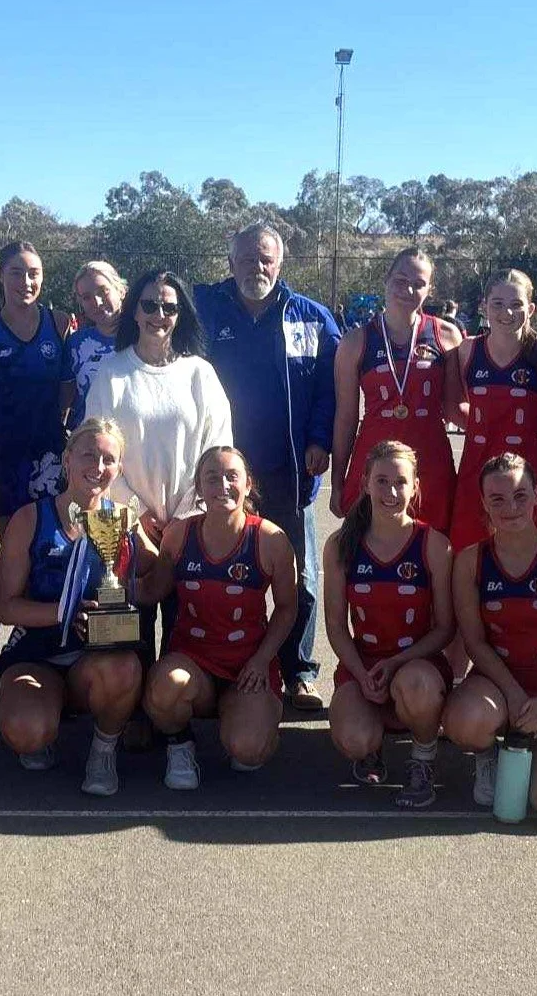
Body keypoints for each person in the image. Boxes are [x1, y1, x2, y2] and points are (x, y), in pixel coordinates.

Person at [195, 223, 340, 710]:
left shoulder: (311, 318)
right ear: (230, 260)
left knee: (299, 573)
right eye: (247, 258)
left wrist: (320, 438)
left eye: (266, 259)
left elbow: (331, 386)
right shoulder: (204, 308)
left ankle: (299, 670)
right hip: (220, 471)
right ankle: (204, 661)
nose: (256, 267)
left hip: (288, 470)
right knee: (205, 567)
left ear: (280, 262)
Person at [0, 418, 159, 795]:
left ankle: (103, 749)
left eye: (108, 459)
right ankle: (43, 718)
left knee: (125, 667)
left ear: (119, 468)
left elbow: (154, 575)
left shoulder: (122, 519)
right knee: (27, 732)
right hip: (36, 655)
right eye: (88, 455)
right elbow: (5, 607)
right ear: (67, 459)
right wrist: (65, 612)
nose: (98, 468)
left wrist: (177, 544)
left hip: (94, 657)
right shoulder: (30, 518)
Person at [83, 270, 233, 681]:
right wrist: (137, 515)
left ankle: (171, 718)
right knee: (130, 631)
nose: (159, 314)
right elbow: (97, 453)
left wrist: (186, 517)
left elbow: (217, 449)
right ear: (134, 311)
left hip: (190, 524)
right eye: (150, 305)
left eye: (169, 307)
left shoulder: (200, 373)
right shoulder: (111, 373)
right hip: (126, 526)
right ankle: (132, 715)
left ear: (181, 314)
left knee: (185, 629)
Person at [441, 454, 537, 827]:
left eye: (520, 496)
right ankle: (492, 754)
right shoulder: (470, 561)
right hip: (497, 683)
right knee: (465, 724)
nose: (510, 508)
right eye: (497, 499)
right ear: (483, 504)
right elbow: (474, 642)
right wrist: (512, 694)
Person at [140, 446, 298, 788]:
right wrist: (100, 584)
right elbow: (152, 590)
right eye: (212, 477)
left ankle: (248, 715)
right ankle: (180, 745)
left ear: (247, 484)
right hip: (194, 660)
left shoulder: (270, 539)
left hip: (248, 666)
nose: (222, 485)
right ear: (199, 487)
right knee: (167, 689)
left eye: (231, 477)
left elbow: (287, 607)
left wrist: (262, 660)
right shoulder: (180, 534)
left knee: (248, 751)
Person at [324, 441, 455, 809]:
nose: (391, 492)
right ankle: (372, 745)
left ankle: (423, 760)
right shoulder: (340, 545)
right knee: (353, 738)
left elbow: (445, 628)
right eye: (381, 481)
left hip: (417, 665)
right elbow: (336, 627)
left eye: (400, 482)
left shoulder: (434, 545)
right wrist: (361, 672)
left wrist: (397, 662)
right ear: (364, 482)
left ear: (416, 486)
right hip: (363, 664)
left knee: (415, 685)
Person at [0, 241, 74, 682]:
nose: (25, 282)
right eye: (16, 272)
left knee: (45, 553)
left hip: (47, 457)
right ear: (0, 275)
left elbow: (67, 390)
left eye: (33, 273)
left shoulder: (59, 323)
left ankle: (37, 646)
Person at [331, 247, 462, 528]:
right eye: (401, 280)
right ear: (386, 279)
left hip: (430, 458)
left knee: (434, 550)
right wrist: (338, 481)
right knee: (367, 549)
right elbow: (345, 418)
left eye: (419, 283)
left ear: (430, 289)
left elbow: (455, 409)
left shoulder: (447, 336)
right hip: (374, 456)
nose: (408, 289)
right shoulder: (355, 342)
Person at [444, 269, 537, 548]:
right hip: (477, 464)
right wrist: (486, 427)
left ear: (530, 309)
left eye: (517, 304)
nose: (507, 311)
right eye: (497, 303)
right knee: (469, 551)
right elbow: (452, 406)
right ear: (485, 306)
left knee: (530, 552)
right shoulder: (467, 351)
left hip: (527, 468)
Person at [62, 260, 125, 429]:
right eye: (87, 297)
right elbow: (65, 400)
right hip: (87, 443)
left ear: (121, 291)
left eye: (103, 291)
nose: (97, 302)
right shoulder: (76, 344)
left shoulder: (143, 340)